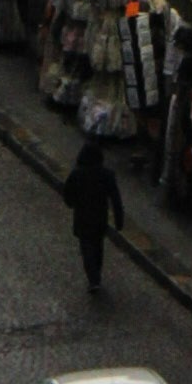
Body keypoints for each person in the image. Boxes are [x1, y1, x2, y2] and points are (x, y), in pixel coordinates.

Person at [64, 125, 123, 299]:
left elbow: (68, 193)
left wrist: (71, 203)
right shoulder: (106, 175)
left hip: (82, 216)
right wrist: (119, 219)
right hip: (99, 217)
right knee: (97, 247)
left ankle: (93, 278)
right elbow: (116, 198)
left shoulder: (77, 174)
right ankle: (96, 275)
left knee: (86, 247)